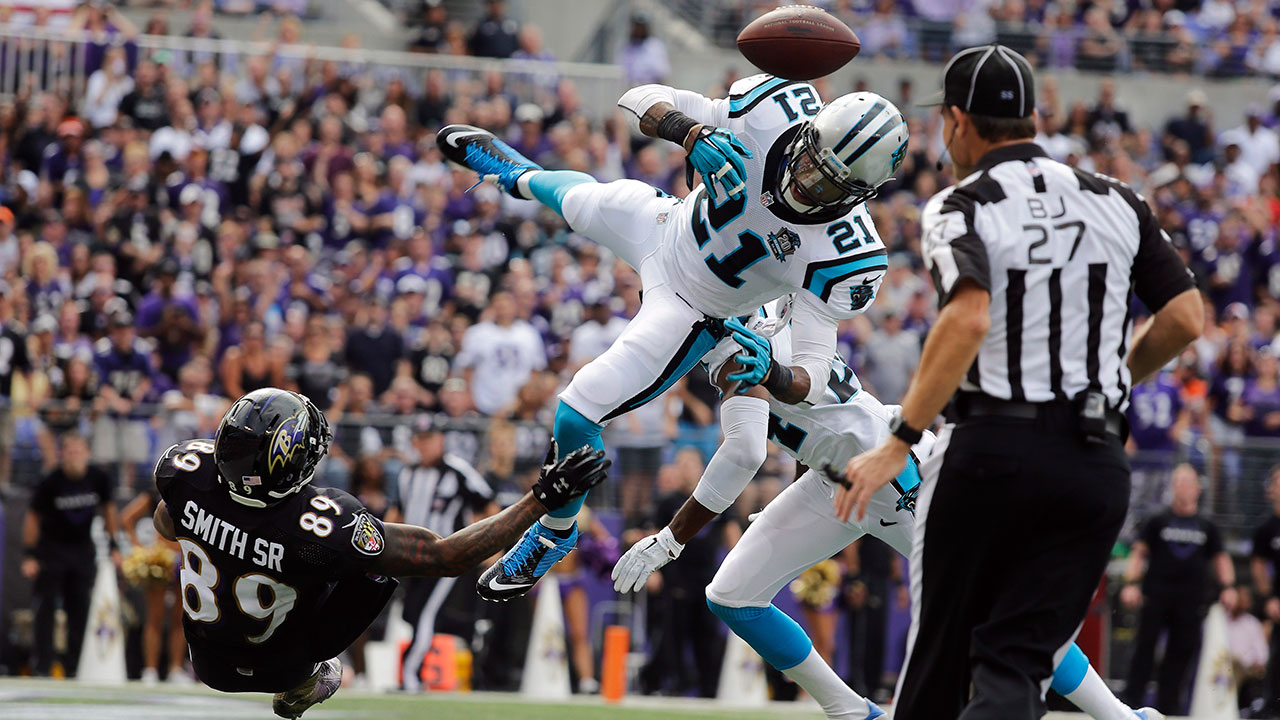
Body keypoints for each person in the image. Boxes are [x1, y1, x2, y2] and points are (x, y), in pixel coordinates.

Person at [438, 72, 908, 601]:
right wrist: (689, 132)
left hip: (693, 309)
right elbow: (637, 97)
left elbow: (813, 375)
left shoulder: (845, 255)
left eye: (827, 184)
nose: (805, 182)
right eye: (809, 160)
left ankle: (555, 532)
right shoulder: (777, 109)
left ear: (861, 193)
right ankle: (514, 174)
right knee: (578, 198)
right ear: (807, 133)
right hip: (668, 223)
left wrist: (775, 374)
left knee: (576, 411)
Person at [838, 44, 1202, 720]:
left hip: (994, 452)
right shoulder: (1118, 198)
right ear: (1031, 118)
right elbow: (1185, 318)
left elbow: (968, 317)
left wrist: (900, 439)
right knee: (1013, 668)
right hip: (1094, 463)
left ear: (957, 121)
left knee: (939, 667)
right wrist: (1112, 380)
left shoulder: (962, 205)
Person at [613, 298, 1157, 720]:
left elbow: (745, 453)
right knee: (732, 595)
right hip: (836, 479)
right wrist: (793, 491)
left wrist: (671, 539)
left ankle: (1120, 716)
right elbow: (816, 421)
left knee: (1000, 607)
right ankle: (851, 710)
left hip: (895, 473)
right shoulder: (769, 313)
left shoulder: (738, 346)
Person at [151, 387, 607, 718]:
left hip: (208, 661)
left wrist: (227, 538)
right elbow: (445, 556)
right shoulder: (320, 523)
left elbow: (167, 524)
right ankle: (307, 683)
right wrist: (541, 499)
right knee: (371, 568)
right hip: (283, 667)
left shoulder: (186, 473)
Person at [388, 415, 497, 692]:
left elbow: (488, 505)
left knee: (425, 613)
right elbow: (397, 512)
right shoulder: (407, 473)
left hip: (445, 556)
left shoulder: (458, 471)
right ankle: (419, 671)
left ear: (441, 440)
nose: (424, 445)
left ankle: (410, 678)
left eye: (429, 439)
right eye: (420, 440)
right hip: (410, 557)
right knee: (412, 613)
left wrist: (491, 547)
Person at [1121, 465, 1236, 715]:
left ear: (1197, 489)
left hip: (1191, 600)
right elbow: (1139, 553)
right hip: (1157, 596)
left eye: (1188, 482)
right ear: (1173, 487)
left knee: (1181, 652)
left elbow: (1221, 558)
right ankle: (1130, 702)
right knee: (1144, 647)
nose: (1183, 488)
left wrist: (1228, 587)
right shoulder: (1157, 520)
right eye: (1179, 482)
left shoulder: (1207, 525)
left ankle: (1169, 706)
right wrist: (1130, 584)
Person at [23, 433, 122, 677]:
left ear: (87, 454)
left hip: (82, 551)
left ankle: (74, 666)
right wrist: (30, 555)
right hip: (52, 551)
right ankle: (43, 666)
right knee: (45, 609)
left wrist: (114, 545)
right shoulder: (50, 481)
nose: (74, 457)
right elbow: (33, 517)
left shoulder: (98, 478)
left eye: (79, 452)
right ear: (62, 455)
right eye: (70, 452)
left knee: (79, 609)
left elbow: (109, 510)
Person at [1251, 466, 1280, 718]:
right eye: (1276, 482)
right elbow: (1259, 565)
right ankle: (1271, 705)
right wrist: (1269, 598)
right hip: (1278, 603)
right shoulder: (1266, 528)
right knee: (1276, 655)